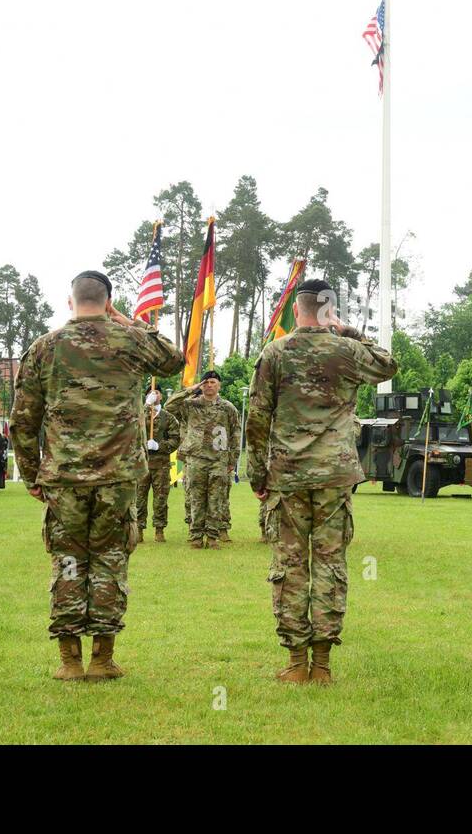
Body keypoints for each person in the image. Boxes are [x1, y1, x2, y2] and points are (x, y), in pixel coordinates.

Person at [10, 270, 183, 682]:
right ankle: (102, 659)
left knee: (68, 561)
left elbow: (22, 421)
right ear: (109, 302)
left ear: (70, 301)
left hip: (64, 477)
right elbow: (174, 358)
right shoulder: (130, 340)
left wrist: (33, 475)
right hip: (119, 476)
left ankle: (70, 661)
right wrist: (129, 322)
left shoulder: (44, 348)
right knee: (109, 559)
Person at [247, 279, 397, 684]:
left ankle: (297, 663)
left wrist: (257, 474)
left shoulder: (276, 352)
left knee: (290, 565)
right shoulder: (347, 350)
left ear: (297, 310)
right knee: (330, 564)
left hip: (289, 475)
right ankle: (324, 666)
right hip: (335, 475)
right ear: (331, 310)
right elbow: (388, 365)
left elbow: (258, 417)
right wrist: (349, 331)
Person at [166, 370, 239, 548]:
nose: (209, 385)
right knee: (196, 499)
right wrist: (189, 390)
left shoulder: (228, 407)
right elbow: (169, 407)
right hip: (195, 459)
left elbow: (235, 433)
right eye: (205, 382)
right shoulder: (191, 405)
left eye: (213, 382)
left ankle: (213, 537)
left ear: (219, 385)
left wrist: (232, 460)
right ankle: (196, 537)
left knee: (216, 500)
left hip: (218, 460)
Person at [134, 387, 180, 543]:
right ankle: (139, 529)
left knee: (160, 498)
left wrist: (159, 445)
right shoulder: (141, 414)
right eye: (150, 393)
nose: (154, 395)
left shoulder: (168, 418)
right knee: (139, 498)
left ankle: (159, 529)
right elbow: (133, 427)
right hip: (142, 464)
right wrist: (146, 406)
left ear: (161, 396)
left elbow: (175, 439)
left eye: (157, 392)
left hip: (161, 464)